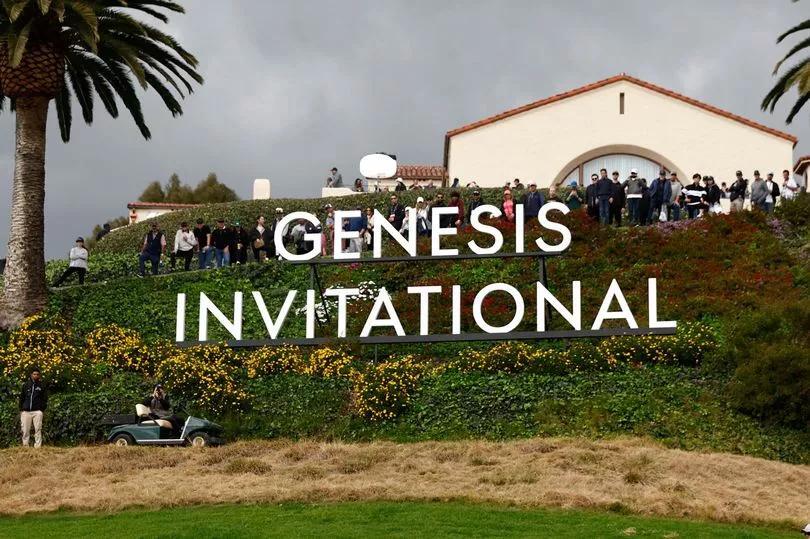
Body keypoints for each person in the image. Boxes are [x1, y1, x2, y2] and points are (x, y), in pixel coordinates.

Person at [19, 367, 46, 448]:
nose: (36, 376)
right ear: (31, 375)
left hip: (37, 411)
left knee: (38, 429)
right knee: (25, 430)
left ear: (39, 375)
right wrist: (21, 409)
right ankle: (25, 446)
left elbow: (45, 398)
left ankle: (37, 446)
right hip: (26, 411)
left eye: (37, 374)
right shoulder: (26, 385)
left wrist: (41, 409)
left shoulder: (42, 385)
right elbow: (22, 397)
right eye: (34, 374)